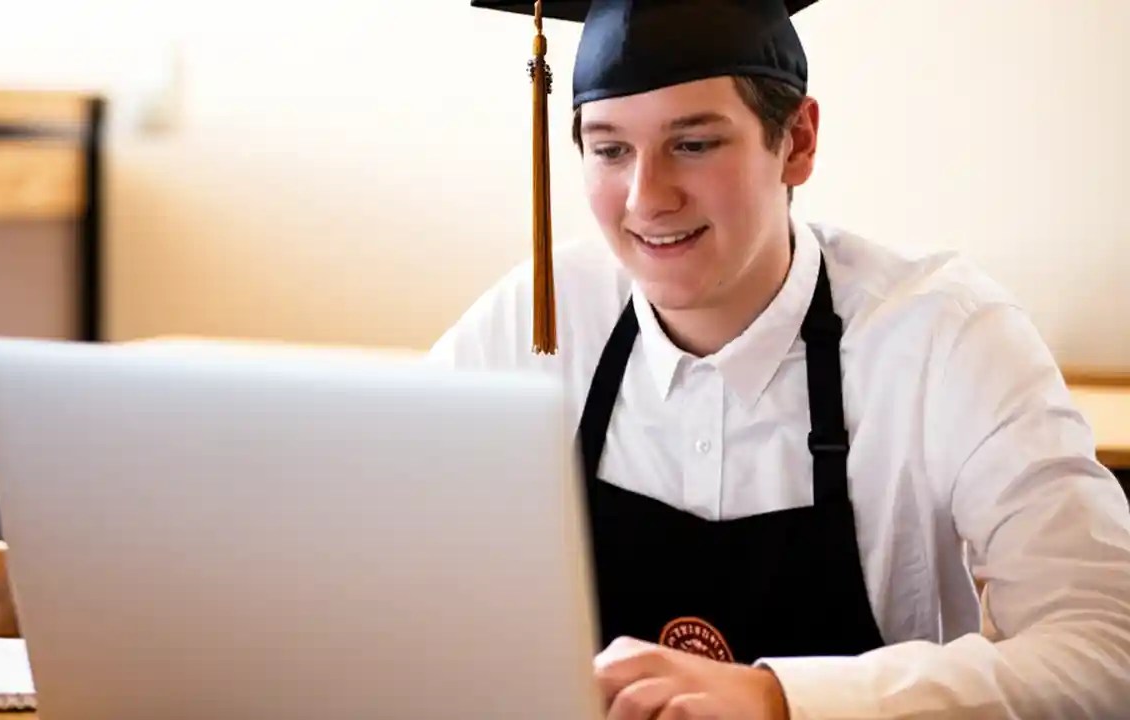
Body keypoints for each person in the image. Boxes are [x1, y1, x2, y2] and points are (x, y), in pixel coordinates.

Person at [429, 1, 1130, 718]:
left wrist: (780, 700)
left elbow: (1106, 650)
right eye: (610, 150)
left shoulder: (944, 339)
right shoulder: (541, 319)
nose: (647, 198)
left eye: (694, 143)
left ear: (797, 140)